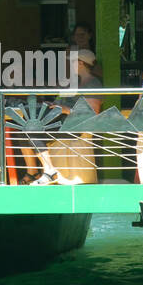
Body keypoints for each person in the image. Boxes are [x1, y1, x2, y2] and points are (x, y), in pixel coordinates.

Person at [31, 49, 102, 185]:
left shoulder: (93, 84)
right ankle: (48, 171)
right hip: (63, 122)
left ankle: (49, 171)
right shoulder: (74, 81)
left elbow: (93, 113)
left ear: (80, 63)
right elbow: (61, 100)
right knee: (27, 129)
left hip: (75, 126)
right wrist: (53, 104)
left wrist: (66, 110)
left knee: (31, 131)